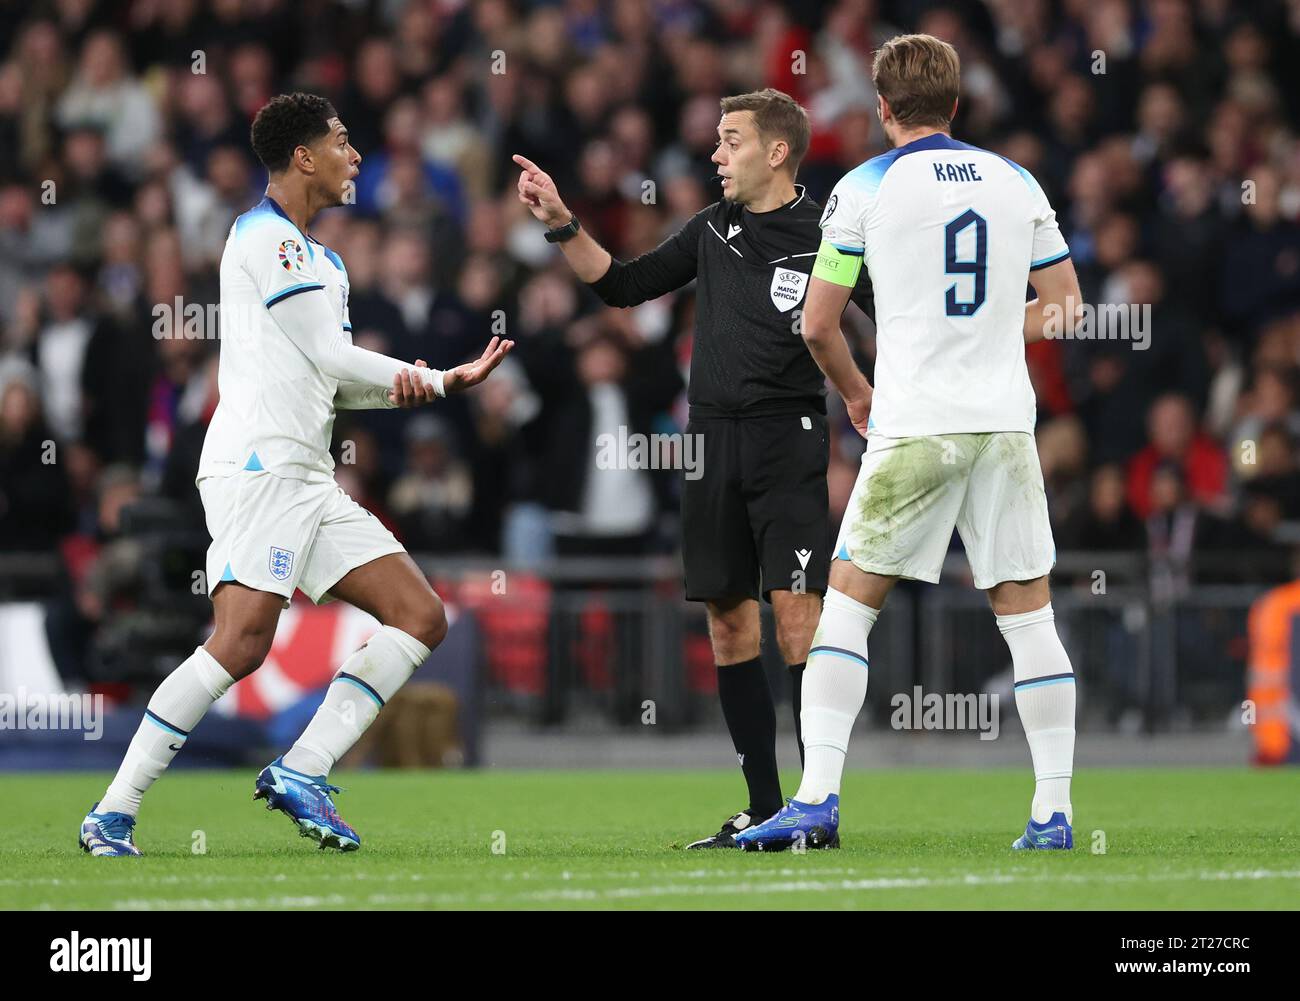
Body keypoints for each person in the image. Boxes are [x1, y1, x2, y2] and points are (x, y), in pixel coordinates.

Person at [80, 93, 513, 857]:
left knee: (419, 616)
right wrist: (440, 379)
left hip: (308, 471)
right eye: (344, 142)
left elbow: (336, 382)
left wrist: (403, 383)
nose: (356, 157)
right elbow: (332, 356)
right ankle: (113, 809)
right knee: (241, 642)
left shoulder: (328, 262)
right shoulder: (263, 239)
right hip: (259, 462)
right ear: (304, 156)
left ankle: (302, 769)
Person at [736, 34, 1084, 852]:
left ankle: (817, 796)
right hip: (1003, 423)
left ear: (882, 108)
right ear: (958, 105)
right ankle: (1053, 811)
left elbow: (818, 323)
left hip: (916, 422)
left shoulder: (863, 186)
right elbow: (1066, 308)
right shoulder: (1015, 180)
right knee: (1029, 619)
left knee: (847, 612)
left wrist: (857, 392)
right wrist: (998, 322)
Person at [513, 89, 874, 848]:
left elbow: (892, 319)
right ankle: (765, 805)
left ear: (776, 151)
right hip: (709, 442)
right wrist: (562, 223)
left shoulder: (830, 232)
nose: (715, 153)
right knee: (728, 619)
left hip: (789, 437)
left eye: (730, 139)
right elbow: (622, 284)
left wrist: (877, 400)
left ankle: (817, 808)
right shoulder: (711, 229)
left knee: (798, 616)